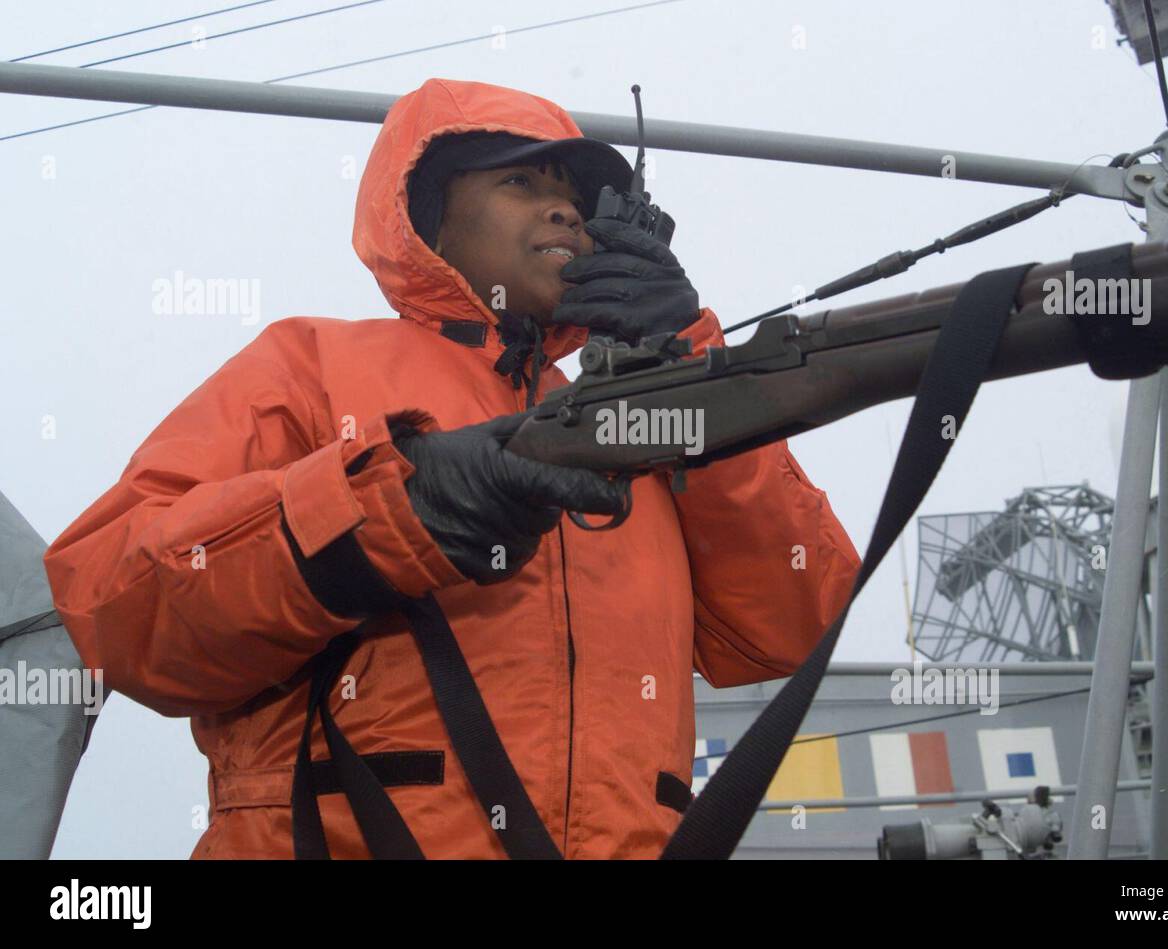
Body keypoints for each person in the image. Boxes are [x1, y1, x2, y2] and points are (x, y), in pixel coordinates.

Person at [42, 77, 861, 859]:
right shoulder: (311, 363)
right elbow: (114, 601)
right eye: (519, 181)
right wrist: (389, 512)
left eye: (572, 195)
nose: (564, 208)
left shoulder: (634, 423)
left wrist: (693, 366)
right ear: (429, 221)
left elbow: (794, 623)